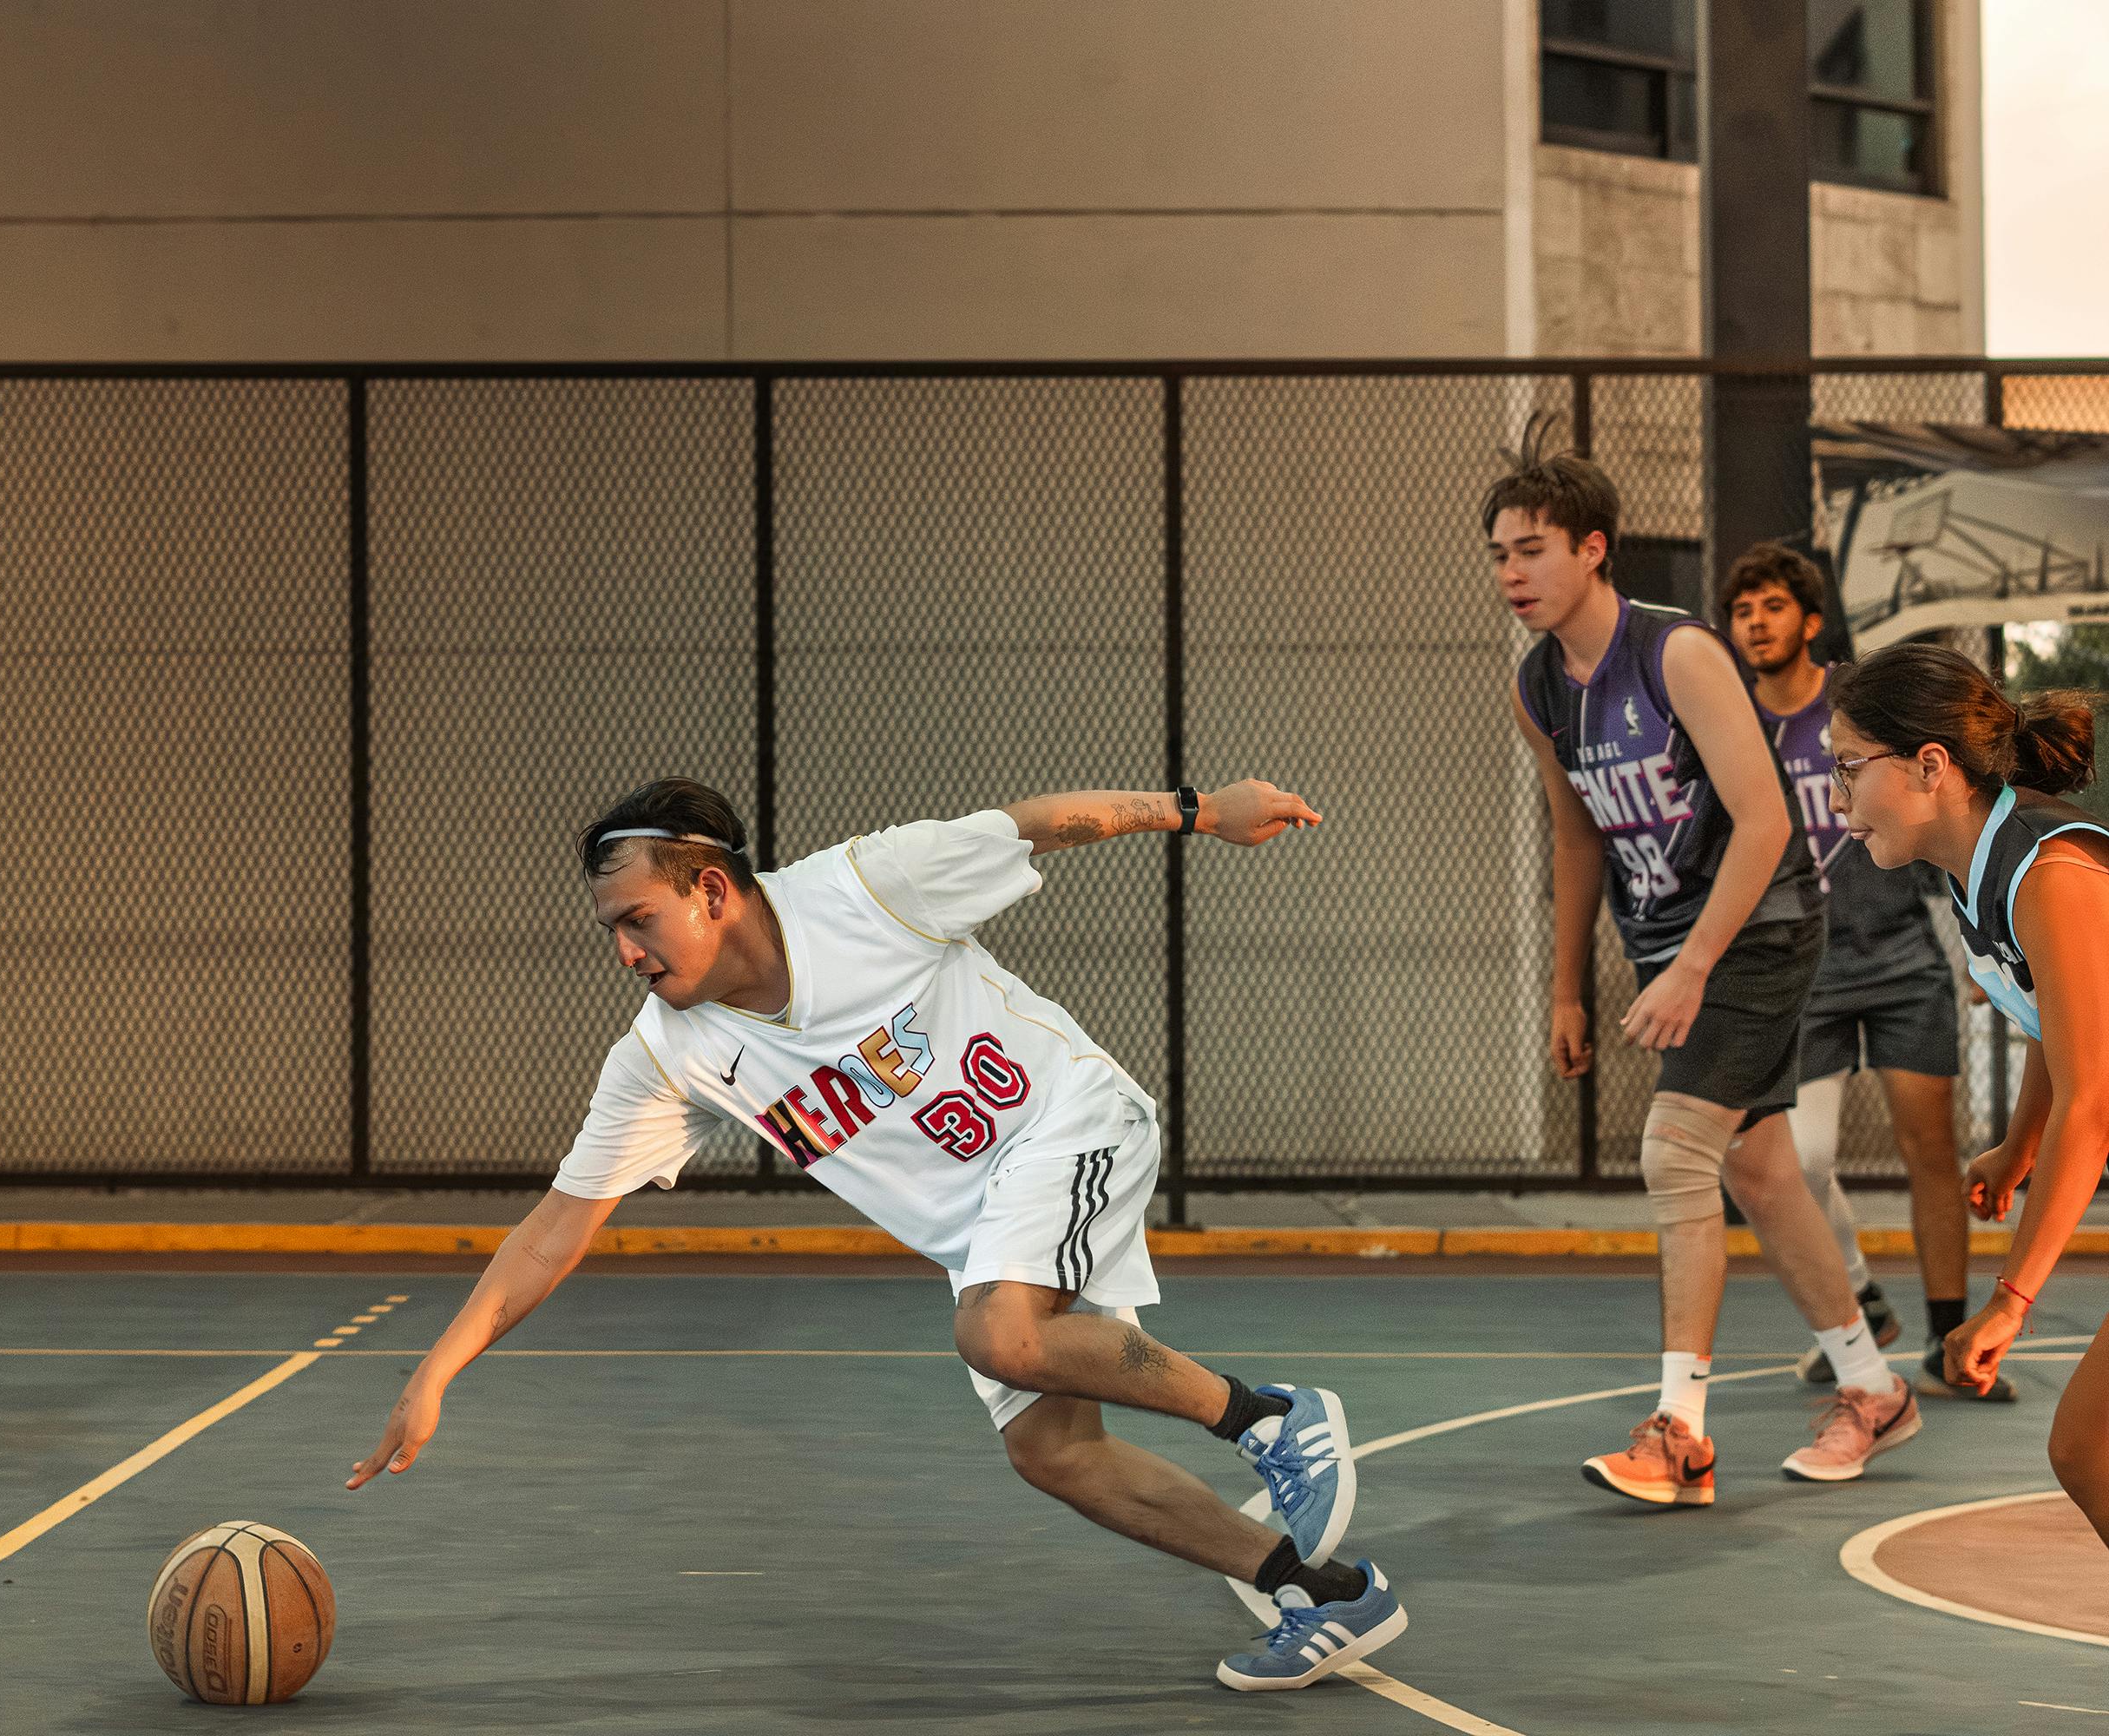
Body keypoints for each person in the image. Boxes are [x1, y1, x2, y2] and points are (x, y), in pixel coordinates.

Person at [345, 776, 1409, 1691]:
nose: (624, 950)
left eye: (638, 919)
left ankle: (1271, 1417)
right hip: (991, 1224)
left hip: (1067, 1118)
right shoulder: (667, 1053)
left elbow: (1036, 823)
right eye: (612, 929)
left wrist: (1198, 810)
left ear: (711, 890)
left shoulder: (864, 889)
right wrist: (437, 1369)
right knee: (1053, 1450)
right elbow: (554, 1227)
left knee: (999, 1334)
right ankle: (1324, 1594)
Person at [1493, 444, 1922, 1505]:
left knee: (1676, 1150)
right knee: (1764, 1167)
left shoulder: (1677, 654)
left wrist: (1689, 967)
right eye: (1499, 553)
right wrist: (1567, 987)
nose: (1511, 571)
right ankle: (1874, 1389)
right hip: (1668, 941)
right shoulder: (1538, 685)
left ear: (1594, 550)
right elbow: (1577, 838)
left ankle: (1680, 1426)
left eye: (1533, 549)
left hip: (1761, 925)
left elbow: (1771, 817)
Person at [1829, 646, 2109, 1539]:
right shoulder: (1973, 869)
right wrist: (2020, 1142)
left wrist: (2012, 1298)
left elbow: (2094, 1101)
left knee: (2089, 1449)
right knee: (2090, 1451)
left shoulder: (2051, 872)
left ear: (1930, 765)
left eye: (1846, 767)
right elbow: (2057, 1025)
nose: (1835, 800)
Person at [1719, 543, 2007, 1402]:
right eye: (1741, 610)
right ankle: (1860, 1295)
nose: (1755, 622)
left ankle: (1951, 1336)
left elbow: (1935, 808)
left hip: (1900, 959)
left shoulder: (1857, 703)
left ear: (1808, 622)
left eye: (1772, 606)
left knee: (1932, 1151)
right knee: (1795, 1158)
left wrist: (1971, 951)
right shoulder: (1730, 721)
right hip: (1800, 968)